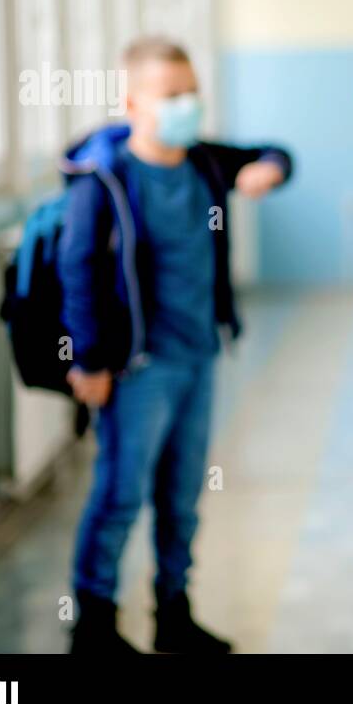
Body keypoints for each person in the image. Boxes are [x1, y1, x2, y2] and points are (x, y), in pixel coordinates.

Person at [59, 37, 292, 653]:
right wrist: (86, 357)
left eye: (192, 92)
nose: (186, 105)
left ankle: (172, 613)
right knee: (120, 494)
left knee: (182, 497)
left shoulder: (204, 161)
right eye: (171, 95)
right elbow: (76, 266)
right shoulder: (103, 177)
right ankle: (93, 628)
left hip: (198, 356)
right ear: (132, 101)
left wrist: (269, 168)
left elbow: (277, 154)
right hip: (135, 367)